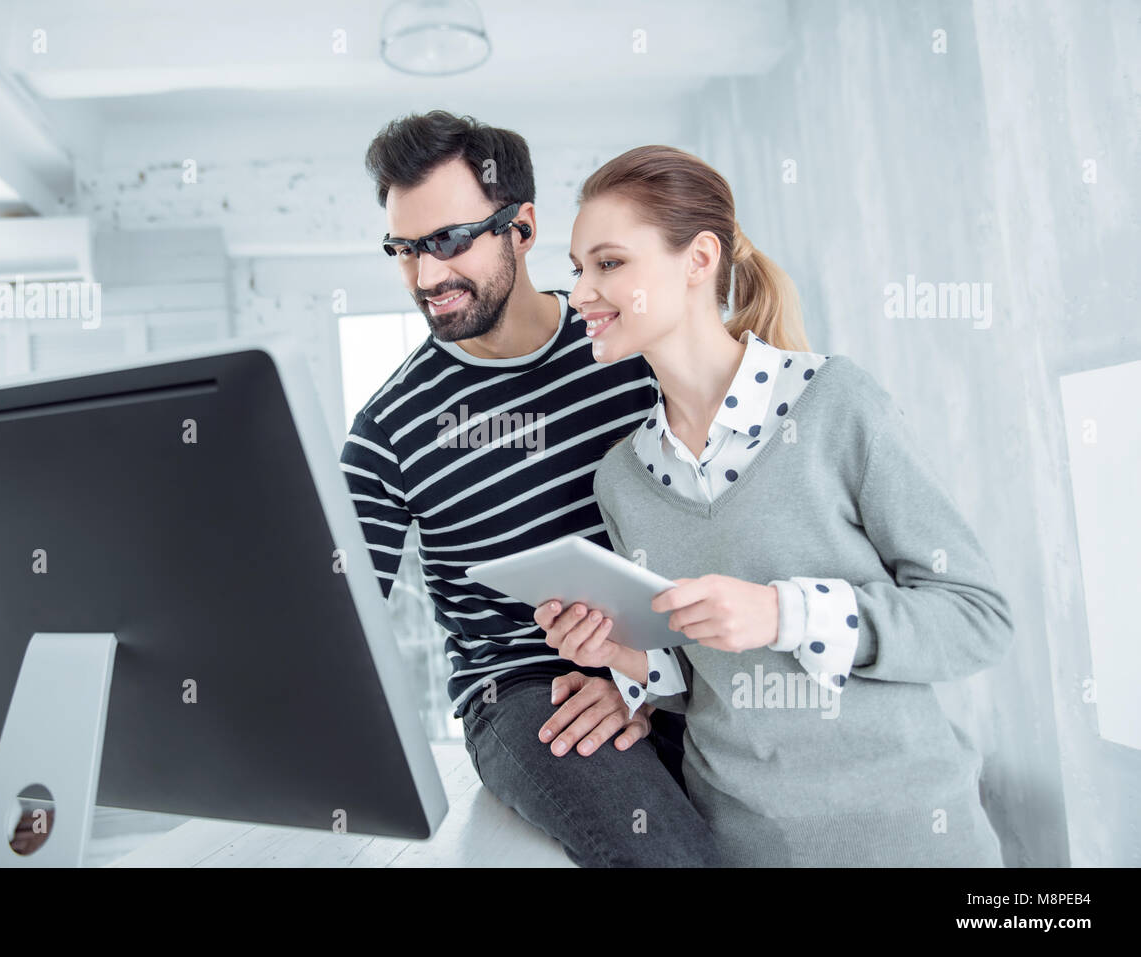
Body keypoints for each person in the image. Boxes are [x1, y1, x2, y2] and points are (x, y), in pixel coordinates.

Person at [539, 144, 1013, 866]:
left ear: (699, 260)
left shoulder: (836, 404)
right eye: (577, 270)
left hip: (914, 838)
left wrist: (785, 612)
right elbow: (700, 684)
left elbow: (978, 618)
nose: (579, 294)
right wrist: (627, 659)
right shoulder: (623, 478)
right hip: (745, 847)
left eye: (608, 264)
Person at [339, 112, 719, 866]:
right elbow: (332, 615)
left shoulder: (624, 344)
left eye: (448, 240)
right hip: (523, 687)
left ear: (522, 226)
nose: (426, 277)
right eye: (404, 249)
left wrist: (640, 680)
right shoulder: (390, 425)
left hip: (676, 651)